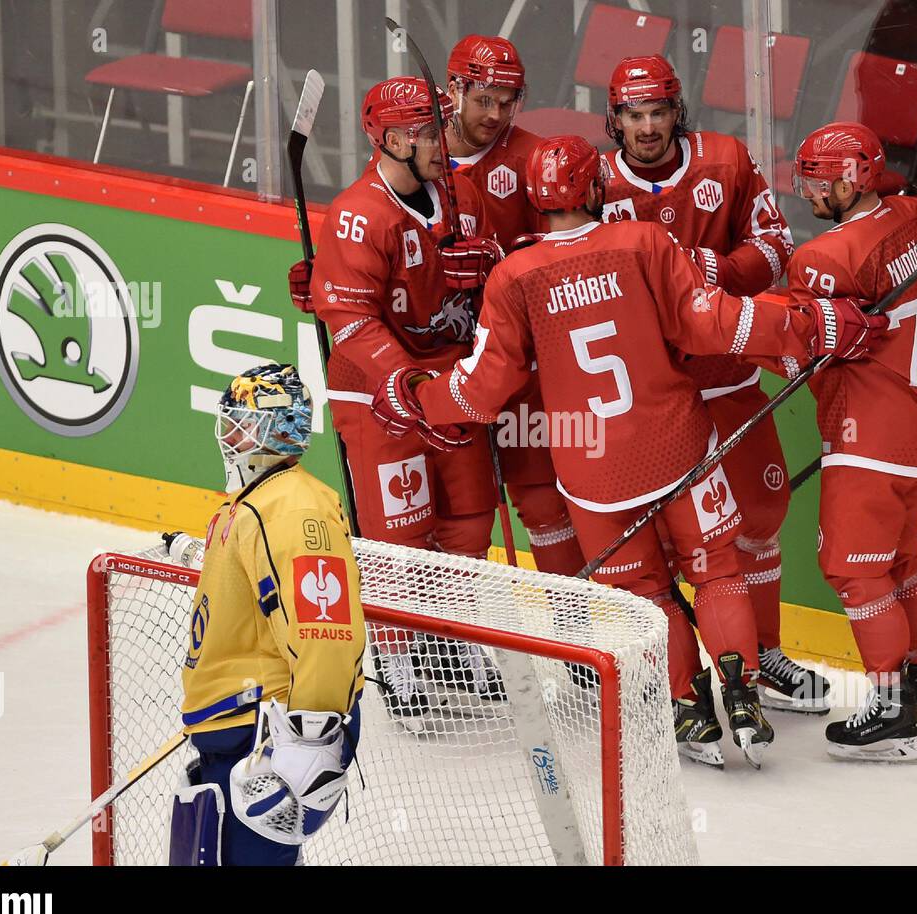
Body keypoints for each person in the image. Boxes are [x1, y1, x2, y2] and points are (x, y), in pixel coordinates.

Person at [370, 136, 884, 769]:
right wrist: (813, 326)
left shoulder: (514, 276)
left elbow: (481, 393)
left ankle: (689, 708)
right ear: (593, 189)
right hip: (678, 446)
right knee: (717, 568)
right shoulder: (643, 242)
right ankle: (742, 691)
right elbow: (712, 323)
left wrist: (414, 395)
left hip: (593, 470)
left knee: (649, 593)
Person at [600, 54, 828, 714]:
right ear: (614, 121)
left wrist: (716, 270)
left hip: (726, 380)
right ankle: (677, 683)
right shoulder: (595, 182)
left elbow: (778, 241)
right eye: (633, 115)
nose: (647, 127)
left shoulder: (725, 160)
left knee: (759, 518)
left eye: (658, 112)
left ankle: (764, 654)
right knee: (664, 544)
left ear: (679, 112)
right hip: (648, 394)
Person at [291, 76, 505, 715]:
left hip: (450, 384)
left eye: (443, 126)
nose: (446, 140)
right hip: (380, 396)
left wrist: (483, 269)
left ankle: (447, 642)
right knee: (399, 535)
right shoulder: (359, 213)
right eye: (429, 131)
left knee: (469, 519)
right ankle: (393, 650)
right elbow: (351, 320)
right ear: (389, 139)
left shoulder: (460, 193)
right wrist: (404, 380)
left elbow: (497, 272)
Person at [789, 122, 917, 762]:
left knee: (854, 571)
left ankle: (891, 712)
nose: (808, 190)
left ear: (853, 178)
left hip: (868, 437)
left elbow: (795, 355)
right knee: (905, 563)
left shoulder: (821, 260)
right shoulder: (914, 215)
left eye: (818, 178)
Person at [174, 363, 366, 865]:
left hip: (273, 734)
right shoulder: (253, 504)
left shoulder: (295, 507)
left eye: (239, 422)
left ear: (270, 432)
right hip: (233, 730)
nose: (229, 434)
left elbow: (326, 628)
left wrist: (313, 738)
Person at [442, 35, 584, 576]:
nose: (496, 114)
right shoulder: (417, 148)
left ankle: (571, 639)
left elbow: (571, 252)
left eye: (508, 101)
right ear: (454, 90)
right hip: (440, 357)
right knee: (458, 509)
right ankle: (454, 644)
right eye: (484, 100)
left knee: (543, 503)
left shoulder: (533, 159)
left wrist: (503, 261)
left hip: (520, 363)